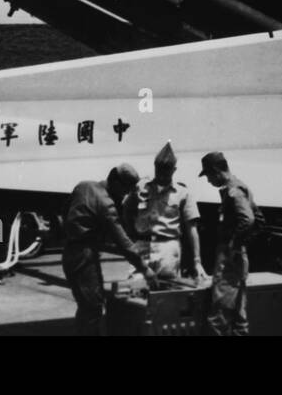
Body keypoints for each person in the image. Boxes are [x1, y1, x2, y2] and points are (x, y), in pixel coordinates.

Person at [62, 164, 153, 336]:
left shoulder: (83, 185)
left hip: (69, 251)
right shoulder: (106, 204)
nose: (125, 194)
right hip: (84, 256)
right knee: (93, 306)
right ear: (117, 183)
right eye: (125, 189)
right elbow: (123, 243)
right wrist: (144, 268)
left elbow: (65, 211)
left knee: (85, 305)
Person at [127, 141, 204, 281]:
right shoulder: (141, 187)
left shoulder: (183, 193)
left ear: (174, 170)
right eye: (159, 171)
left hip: (168, 248)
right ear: (155, 167)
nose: (161, 176)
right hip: (141, 246)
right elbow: (127, 210)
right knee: (135, 294)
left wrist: (197, 261)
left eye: (166, 172)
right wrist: (131, 238)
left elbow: (191, 228)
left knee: (166, 294)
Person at [200, 151, 256, 336]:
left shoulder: (233, 191)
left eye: (208, 175)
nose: (208, 180)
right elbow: (259, 219)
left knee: (219, 316)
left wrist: (234, 245)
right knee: (239, 316)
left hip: (229, 258)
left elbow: (247, 220)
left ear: (216, 171)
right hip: (238, 256)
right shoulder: (241, 187)